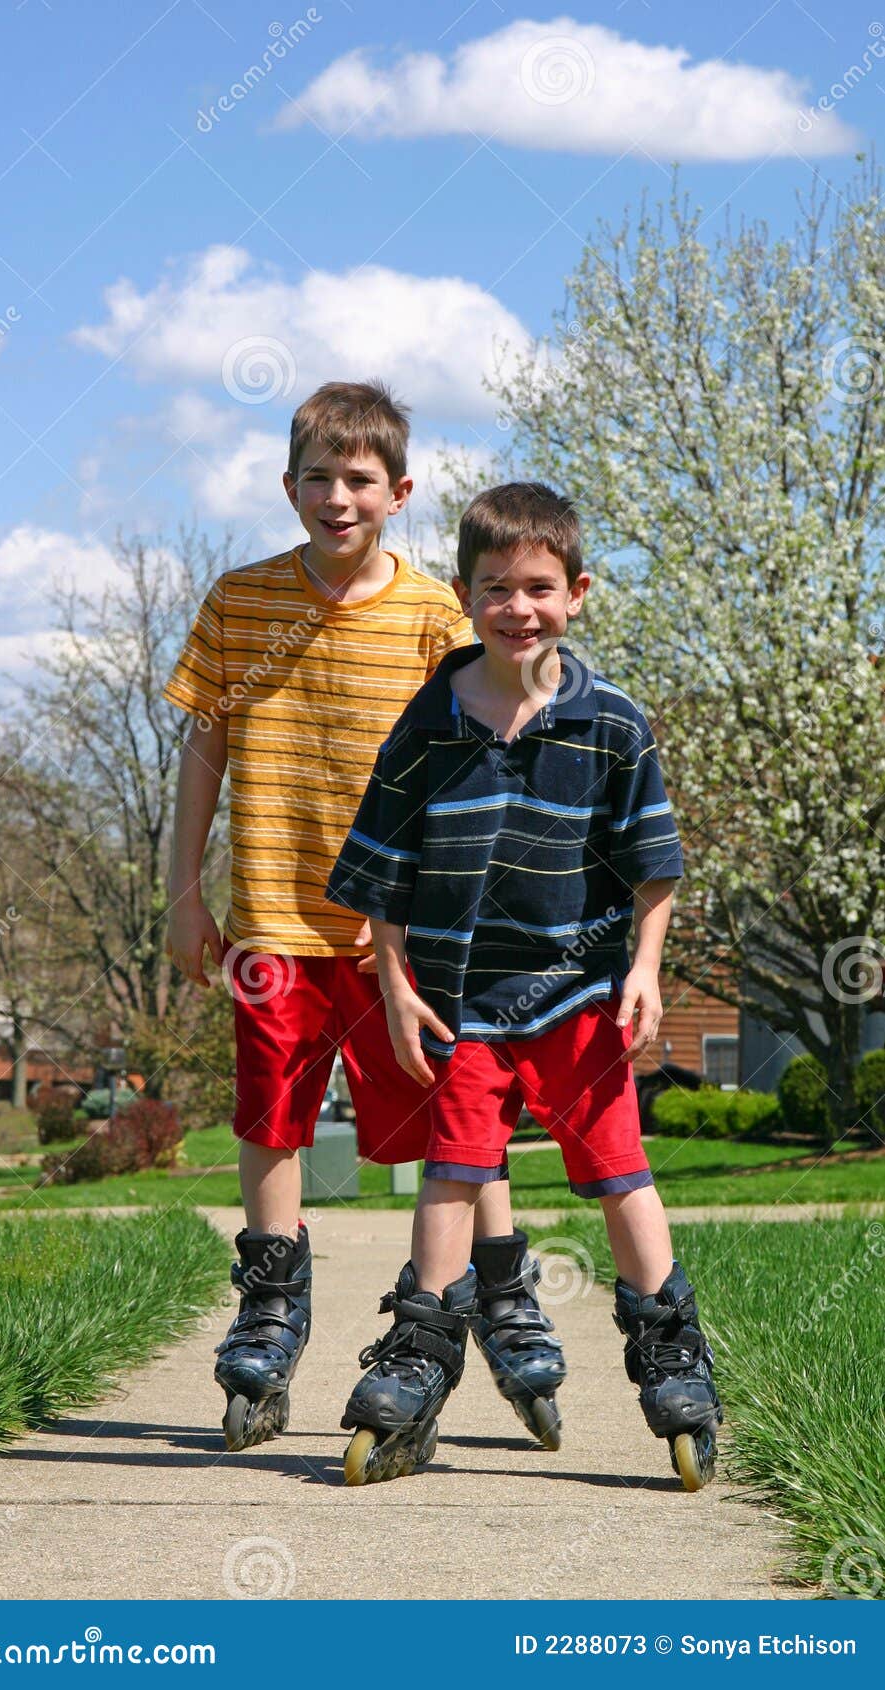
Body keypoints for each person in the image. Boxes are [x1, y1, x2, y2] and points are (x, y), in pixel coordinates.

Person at [162, 384, 563, 1453]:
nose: (336, 497)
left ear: (399, 492)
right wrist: (183, 891)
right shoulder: (238, 602)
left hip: (412, 932)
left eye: (358, 479)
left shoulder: (436, 615)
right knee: (270, 1115)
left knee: (452, 1115)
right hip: (274, 915)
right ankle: (270, 1306)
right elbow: (202, 751)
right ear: (286, 485)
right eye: (317, 477)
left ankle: (498, 1286)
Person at [326, 480, 723, 1491]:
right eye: (495, 588)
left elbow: (652, 866)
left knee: (619, 1170)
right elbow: (383, 872)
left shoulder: (612, 725)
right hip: (460, 1000)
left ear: (576, 593)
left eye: (539, 587)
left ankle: (670, 1349)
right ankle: (419, 1350)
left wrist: (644, 970)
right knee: (452, 1170)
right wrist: (396, 984)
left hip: (578, 995)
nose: (518, 607)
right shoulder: (428, 723)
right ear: (463, 594)